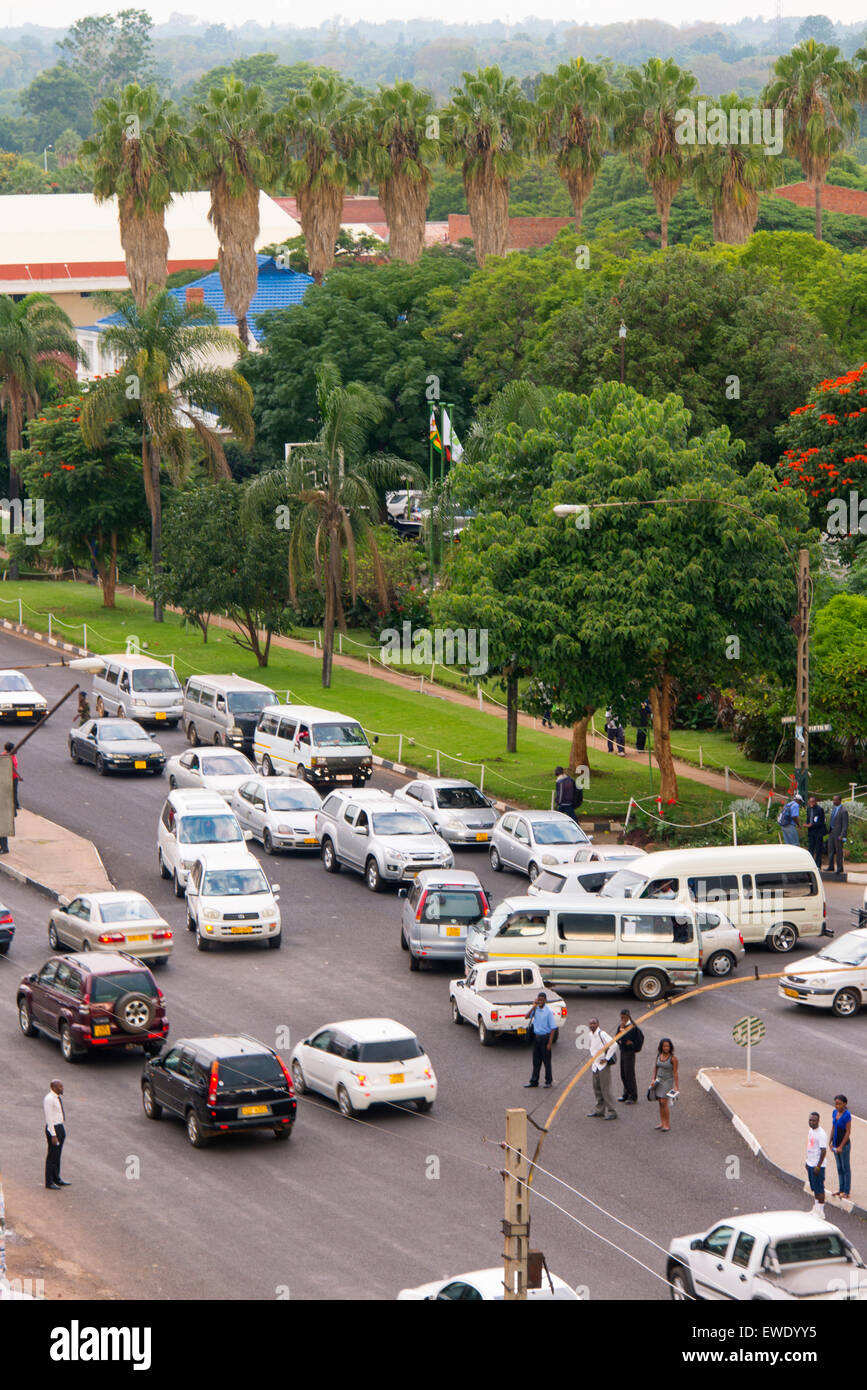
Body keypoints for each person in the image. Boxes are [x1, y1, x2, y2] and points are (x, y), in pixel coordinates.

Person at [586, 1018, 619, 1119]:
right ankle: (599, 1110)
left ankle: (612, 1111)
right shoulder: (590, 1035)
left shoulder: (602, 1034)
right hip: (595, 1066)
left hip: (603, 1066)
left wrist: (607, 1058)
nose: (592, 1025)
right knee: (597, 1088)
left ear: (598, 1024)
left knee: (605, 1089)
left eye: (594, 1023)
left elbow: (614, 1044)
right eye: (591, 1023)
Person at [523, 992, 556, 1089]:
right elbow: (526, 1016)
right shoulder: (536, 1009)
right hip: (536, 1038)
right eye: (539, 1000)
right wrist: (533, 1007)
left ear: (545, 1000)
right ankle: (534, 1081)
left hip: (545, 1038)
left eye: (542, 1000)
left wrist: (550, 1043)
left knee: (546, 1061)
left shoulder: (548, 1012)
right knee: (536, 1061)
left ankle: (548, 1081)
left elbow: (553, 1028)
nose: (540, 1002)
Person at [44, 1079, 70, 1189]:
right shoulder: (49, 1099)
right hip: (53, 1128)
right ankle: (49, 1182)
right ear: (53, 1087)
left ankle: (57, 1178)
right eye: (60, 1086)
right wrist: (53, 1135)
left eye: (62, 1086)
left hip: (60, 1127)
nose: (62, 1088)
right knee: (52, 1156)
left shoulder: (57, 1098)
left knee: (57, 1155)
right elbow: (49, 1118)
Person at [651, 1038, 679, 1132]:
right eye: (664, 1046)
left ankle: (667, 1124)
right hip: (659, 1081)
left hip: (667, 1081)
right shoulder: (659, 1056)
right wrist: (653, 1079)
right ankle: (662, 1122)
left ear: (670, 1047)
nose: (666, 1048)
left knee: (664, 1102)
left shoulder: (673, 1058)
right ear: (661, 1047)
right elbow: (655, 1068)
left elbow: (675, 1072)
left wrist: (676, 1086)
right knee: (660, 1102)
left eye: (667, 1046)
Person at [616, 1008, 644, 1105]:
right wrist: (620, 1039)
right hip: (623, 1051)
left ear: (628, 1017)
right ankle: (626, 1093)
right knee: (623, 1073)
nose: (622, 1019)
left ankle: (633, 1095)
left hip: (629, 1052)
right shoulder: (621, 1026)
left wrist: (631, 1044)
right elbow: (617, 1037)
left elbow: (630, 1038)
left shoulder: (632, 1027)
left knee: (629, 1074)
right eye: (621, 1017)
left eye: (624, 1017)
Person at [806, 1110, 828, 1216]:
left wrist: (818, 1166)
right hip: (810, 1163)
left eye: (814, 1120)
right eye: (810, 1120)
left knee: (820, 1188)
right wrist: (807, 1161)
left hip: (817, 1165)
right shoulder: (811, 1131)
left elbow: (823, 1150)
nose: (811, 1122)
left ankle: (821, 1211)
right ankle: (815, 1208)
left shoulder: (821, 1134)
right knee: (814, 1187)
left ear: (818, 1121)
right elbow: (810, 1146)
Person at [830, 1094, 852, 1201]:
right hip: (835, 1145)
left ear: (844, 1104)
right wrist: (830, 1142)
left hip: (844, 1146)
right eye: (836, 1104)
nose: (837, 1106)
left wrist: (841, 1146)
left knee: (845, 1168)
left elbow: (848, 1132)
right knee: (839, 1168)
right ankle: (841, 1189)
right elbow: (833, 1127)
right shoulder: (835, 1113)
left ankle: (846, 1192)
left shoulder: (847, 1115)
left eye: (839, 1104)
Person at [827, 795, 849, 874]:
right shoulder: (833, 809)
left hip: (839, 834)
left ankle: (840, 868)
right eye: (833, 800)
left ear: (840, 801)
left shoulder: (844, 811)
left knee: (838, 851)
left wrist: (842, 835)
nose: (834, 801)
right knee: (830, 850)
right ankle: (831, 866)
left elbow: (845, 825)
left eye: (835, 800)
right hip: (832, 832)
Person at [806, 796, 826, 869]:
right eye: (810, 802)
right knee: (810, 848)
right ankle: (810, 863)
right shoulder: (808, 809)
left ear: (815, 802)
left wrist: (813, 824)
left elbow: (821, 821)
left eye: (812, 802)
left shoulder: (819, 809)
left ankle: (818, 864)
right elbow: (808, 818)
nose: (811, 803)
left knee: (818, 848)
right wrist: (807, 824)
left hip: (818, 832)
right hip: (811, 831)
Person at [4, 741, 20, 812]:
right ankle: (15, 806)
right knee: (12, 792)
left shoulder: (12, 755)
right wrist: (19, 776)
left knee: (14, 791)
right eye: (14, 748)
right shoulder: (6, 757)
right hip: (10, 777)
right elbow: (12, 768)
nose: (16, 749)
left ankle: (16, 805)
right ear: (10, 750)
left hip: (14, 777)